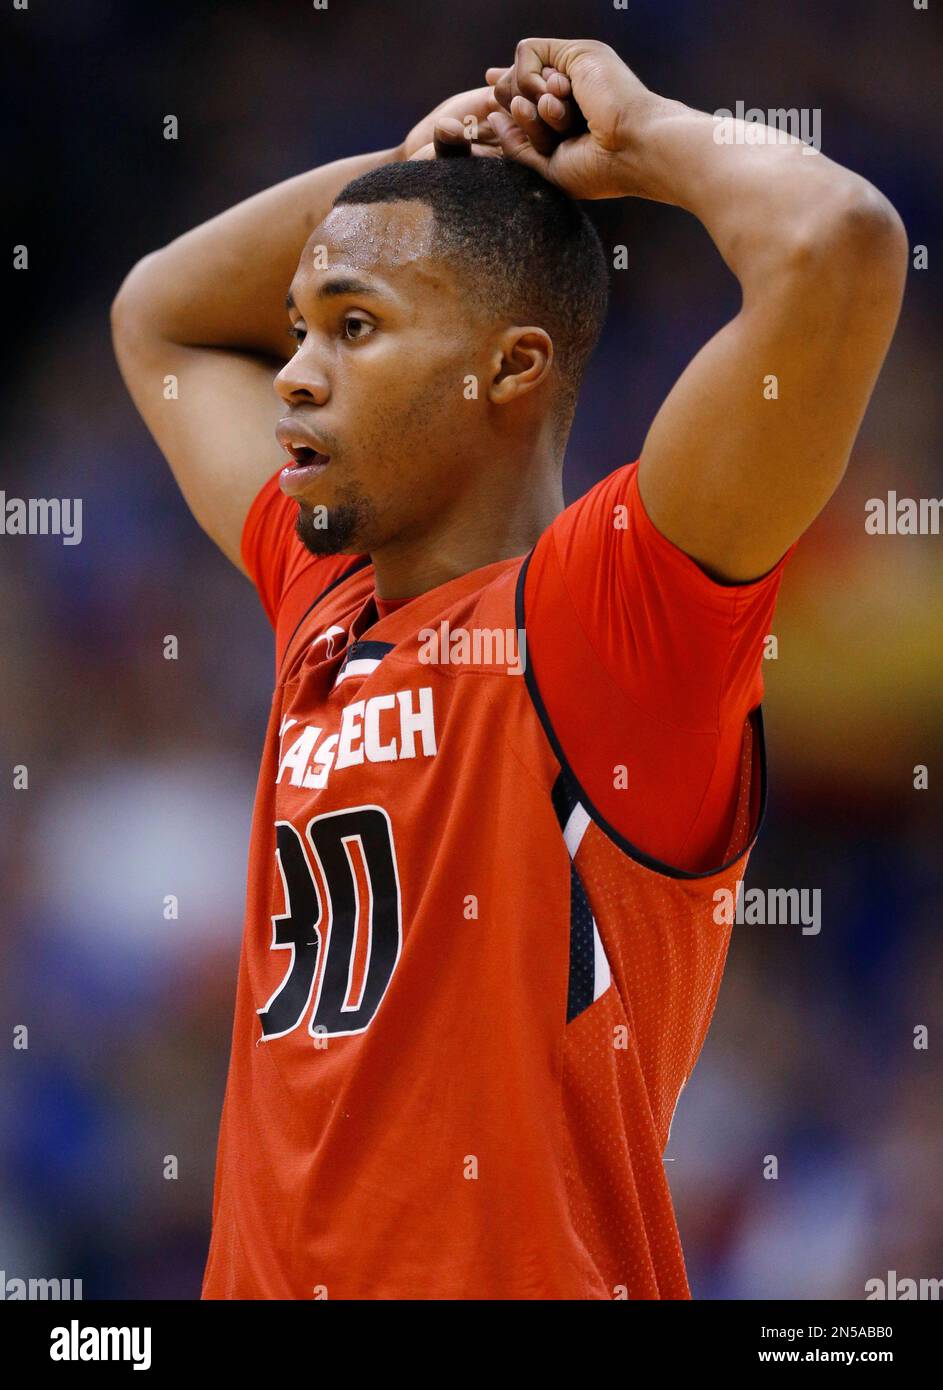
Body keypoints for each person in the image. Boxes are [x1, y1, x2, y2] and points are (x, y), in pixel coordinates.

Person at [111, 37, 906, 1299]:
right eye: (300, 329)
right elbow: (157, 309)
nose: (296, 376)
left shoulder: (607, 617)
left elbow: (840, 245)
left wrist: (643, 138)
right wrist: (417, 167)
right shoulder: (325, 593)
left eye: (355, 328)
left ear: (513, 367)